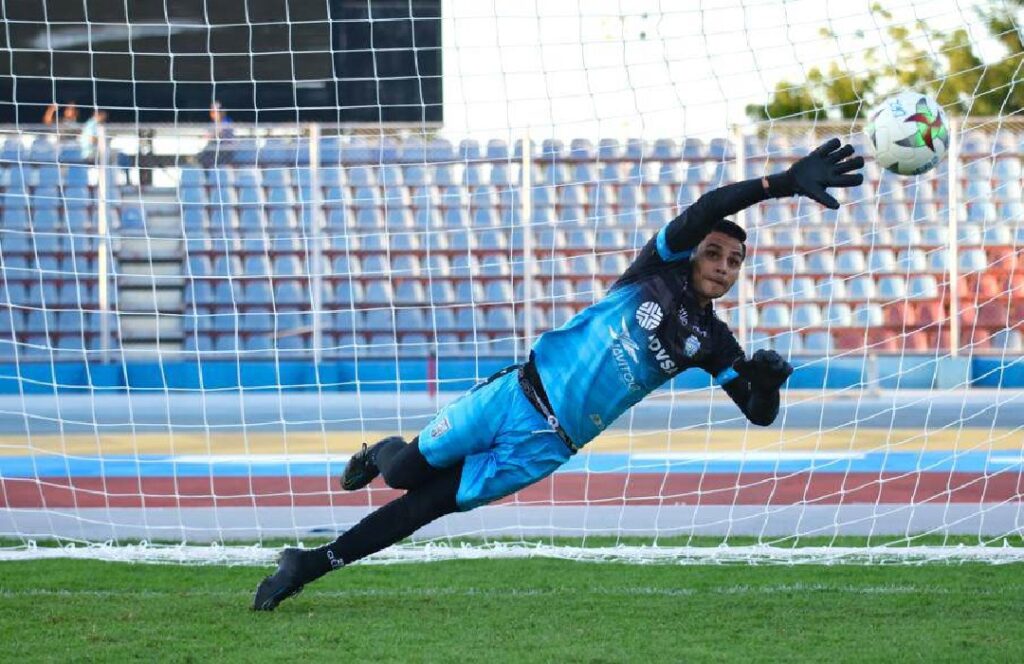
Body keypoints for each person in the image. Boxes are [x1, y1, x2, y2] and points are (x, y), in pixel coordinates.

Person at [253, 137, 865, 611]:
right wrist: (782, 182)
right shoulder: (658, 267)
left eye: (736, 261)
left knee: (423, 507)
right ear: (693, 250)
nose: (724, 265)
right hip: (515, 393)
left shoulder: (712, 341)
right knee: (405, 470)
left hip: (547, 445)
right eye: (715, 252)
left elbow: (758, 413)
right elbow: (711, 207)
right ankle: (381, 449)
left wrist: (769, 382)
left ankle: (308, 563)